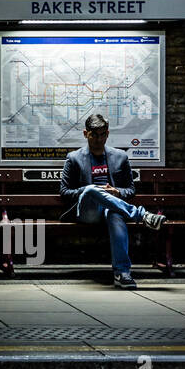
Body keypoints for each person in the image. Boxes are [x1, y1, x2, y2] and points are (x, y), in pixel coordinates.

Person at [59, 114, 164, 288]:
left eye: (102, 134)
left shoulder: (120, 157)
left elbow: (130, 189)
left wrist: (117, 192)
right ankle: (142, 215)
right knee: (91, 189)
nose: (98, 139)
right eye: (94, 134)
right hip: (88, 212)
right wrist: (91, 191)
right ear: (86, 134)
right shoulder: (74, 158)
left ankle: (122, 273)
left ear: (107, 134)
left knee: (115, 214)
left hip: (112, 209)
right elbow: (64, 192)